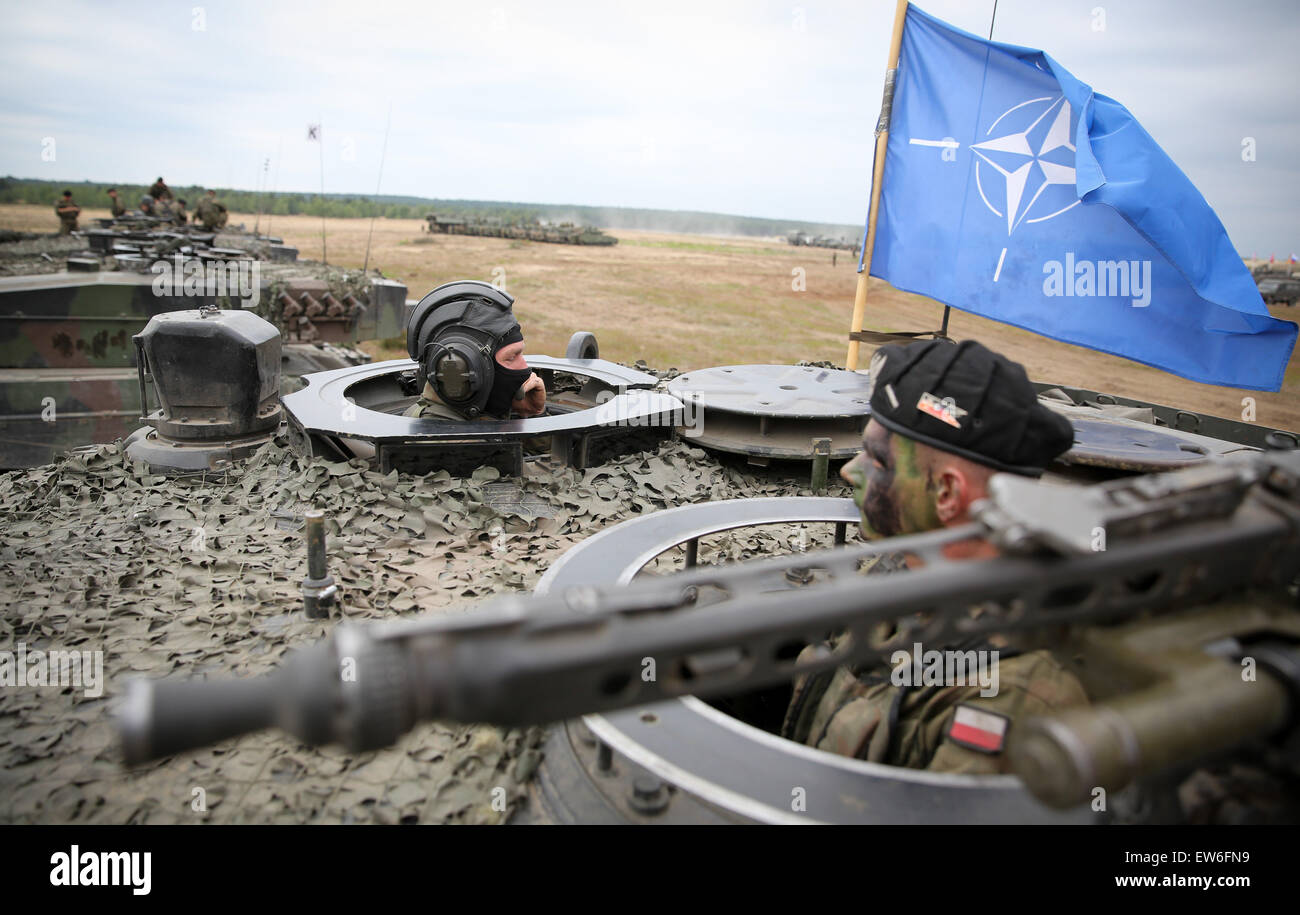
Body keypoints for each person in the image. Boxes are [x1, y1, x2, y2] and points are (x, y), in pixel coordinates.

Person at [781, 339, 1084, 774]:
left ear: (947, 492)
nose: (850, 470)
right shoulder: (901, 566)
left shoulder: (1013, 694)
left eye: (877, 459)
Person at [403, 282, 546, 421]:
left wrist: (533, 413)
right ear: (463, 367)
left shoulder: (470, 423)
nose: (525, 367)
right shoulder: (436, 440)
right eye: (511, 357)